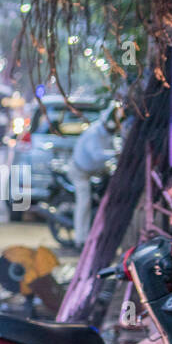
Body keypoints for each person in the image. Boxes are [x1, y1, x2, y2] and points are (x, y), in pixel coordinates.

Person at [69, 106, 120, 247]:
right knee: (84, 202)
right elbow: (97, 155)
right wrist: (115, 154)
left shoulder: (108, 134)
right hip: (80, 172)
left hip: (95, 171)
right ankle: (80, 239)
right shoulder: (93, 133)